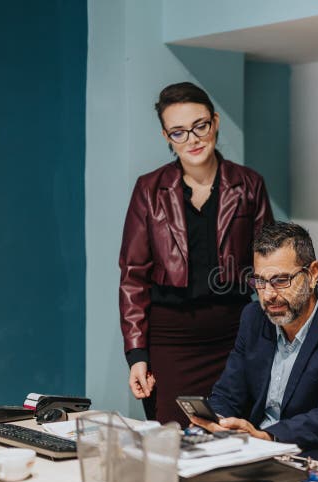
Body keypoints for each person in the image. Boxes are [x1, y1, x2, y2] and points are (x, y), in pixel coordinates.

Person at [119, 81, 273, 426]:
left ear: (215, 122)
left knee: (234, 438)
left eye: (200, 125)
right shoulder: (149, 189)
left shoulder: (249, 185)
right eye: (179, 132)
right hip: (170, 344)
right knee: (173, 439)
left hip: (234, 339)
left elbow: (268, 266)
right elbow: (133, 277)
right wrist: (137, 354)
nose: (192, 139)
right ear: (166, 136)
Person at [190, 222, 318, 468]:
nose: (268, 295)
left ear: (312, 274)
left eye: (281, 280)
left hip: (316, 463)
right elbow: (228, 394)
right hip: (254, 456)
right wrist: (216, 422)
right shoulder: (254, 317)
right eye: (260, 281)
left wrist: (268, 438)